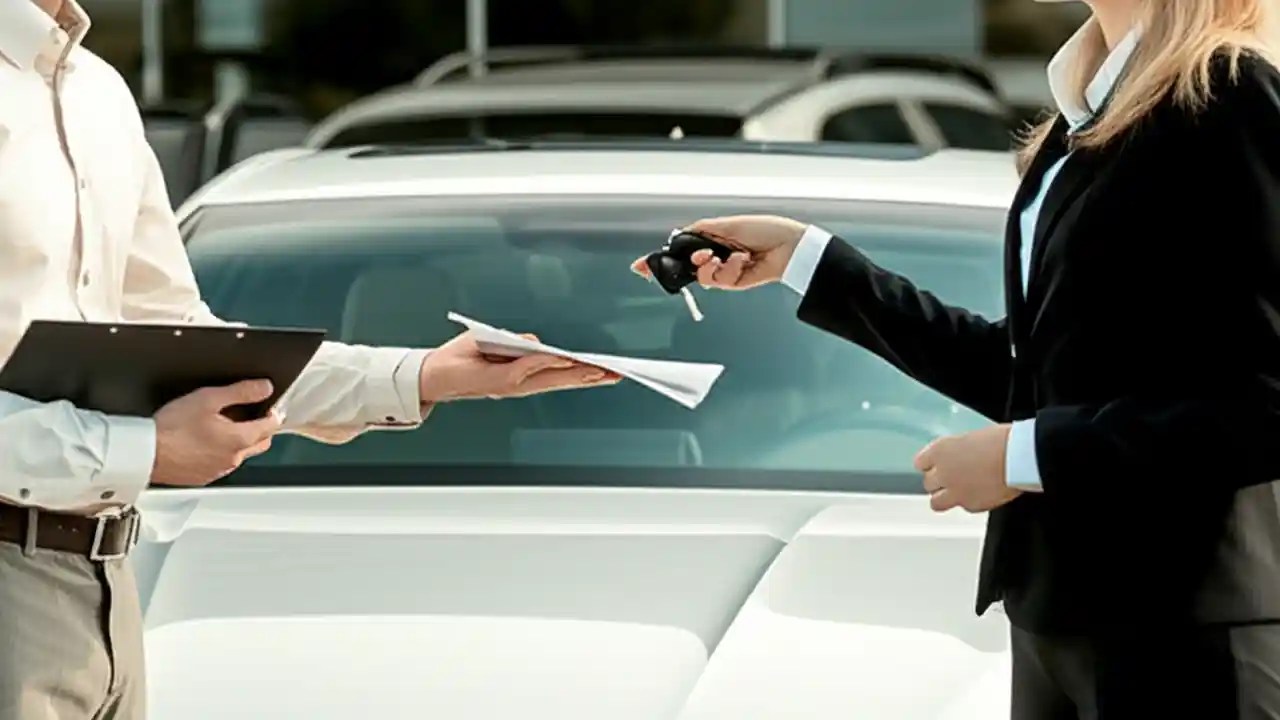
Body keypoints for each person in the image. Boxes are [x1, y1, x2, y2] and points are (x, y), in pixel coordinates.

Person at [635, 0, 1280, 717]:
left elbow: (1264, 406)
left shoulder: (1230, 97)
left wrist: (1025, 457)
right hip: (1056, 620)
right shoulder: (1091, 107)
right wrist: (808, 261)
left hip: (1180, 635)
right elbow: (1033, 374)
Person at [0, 1, 619, 718]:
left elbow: (178, 337)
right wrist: (146, 447)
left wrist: (422, 375)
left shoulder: (97, 93)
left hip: (108, 580)